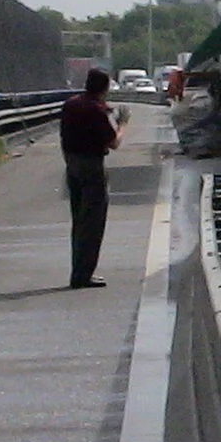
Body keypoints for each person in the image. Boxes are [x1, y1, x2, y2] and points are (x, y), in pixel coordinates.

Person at [61, 68, 128, 289]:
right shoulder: (98, 111)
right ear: (105, 88)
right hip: (92, 166)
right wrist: (122, 124)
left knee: (79, 221)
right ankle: (83, 275)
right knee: (93, 222)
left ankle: (77, 271)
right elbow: (113, 143)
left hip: (72, 165)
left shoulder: (70, 105)